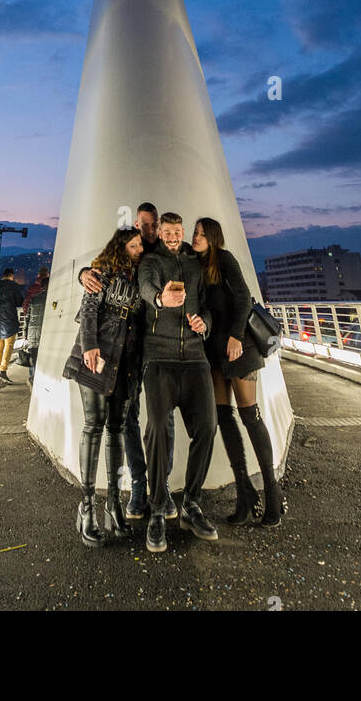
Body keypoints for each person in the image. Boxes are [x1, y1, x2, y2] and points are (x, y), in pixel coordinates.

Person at [79, 203, 177, 521]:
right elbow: (98, 278)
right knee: (126, 421)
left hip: (157, 345)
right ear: (137, 223)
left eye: (153, 227)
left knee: (162, 415)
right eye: (144, 227)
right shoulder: (123, 256)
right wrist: (82, 273)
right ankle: (137, 487)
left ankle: (160, 489)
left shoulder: (163, 252)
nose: (148, 233)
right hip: (126, 351)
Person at [191, 217, 284, 527]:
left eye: (202, 234)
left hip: (240, 347)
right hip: (214, 352)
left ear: (214, 237)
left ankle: (272, 493)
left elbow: (244, 298)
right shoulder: (198, 266)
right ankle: (244, 493)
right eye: (195, 233)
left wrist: (234, 337)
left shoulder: (225, 259)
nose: (196, 237)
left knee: (250, 416)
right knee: (223, 417)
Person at [138, 212, 218, 554]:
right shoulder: (151, 261)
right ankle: (158, 508)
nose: (172, 237)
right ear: (160, 231)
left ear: (184, 232)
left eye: (177, 232)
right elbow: (146, 288)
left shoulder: (196, 264)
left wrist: (206, 325)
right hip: (159, 358)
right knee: (156, 428)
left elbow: (208, 306)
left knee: (208, 427)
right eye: (166, 232)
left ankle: (192, 504)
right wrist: (160, 300)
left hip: (196, 359)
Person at [63, 226, 145, 546]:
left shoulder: (143, 277)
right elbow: (88, 310)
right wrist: (89, 346)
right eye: (134, 245)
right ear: (121, 246)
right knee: (94, 425)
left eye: (141, 245)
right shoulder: (103, 271)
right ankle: (87, 507)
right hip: (97, 357)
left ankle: (113, 504)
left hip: (127, 363)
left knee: (117, 427)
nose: (139, 249)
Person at [0, 268, 24, 383]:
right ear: (11, 276)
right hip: (9, 318)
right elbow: (19, 302)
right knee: (9, 344)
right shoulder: (13, 286)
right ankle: (3, 371)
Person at [24, 273, 49, 386]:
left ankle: (33, 378)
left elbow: (27, 318)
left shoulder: (34, 298)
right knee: (45, 360)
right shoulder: (53, 299)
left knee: (33, 359)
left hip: (32, 332)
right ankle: (39, 382)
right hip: (46, 333)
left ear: (41, 287)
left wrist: (25, 334)